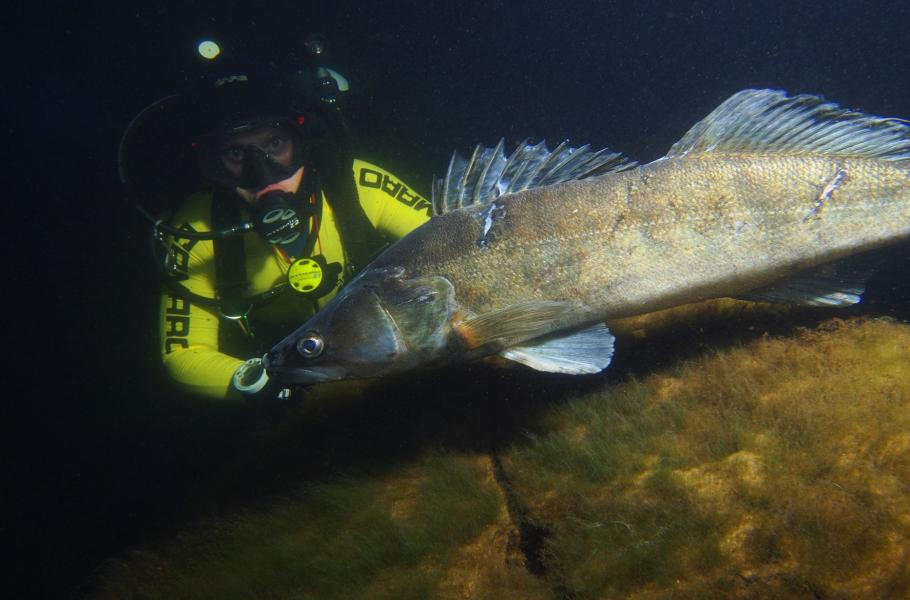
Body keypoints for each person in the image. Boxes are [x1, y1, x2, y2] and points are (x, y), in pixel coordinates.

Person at [121, 46, 432, 402]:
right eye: (236, 154)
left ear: (302, 140)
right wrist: (271, 384)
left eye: (274, 143)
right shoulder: (195, 231)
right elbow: (182, 353)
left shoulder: (360, 186)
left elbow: (452, 241)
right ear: (210, 163)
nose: (263, 175)